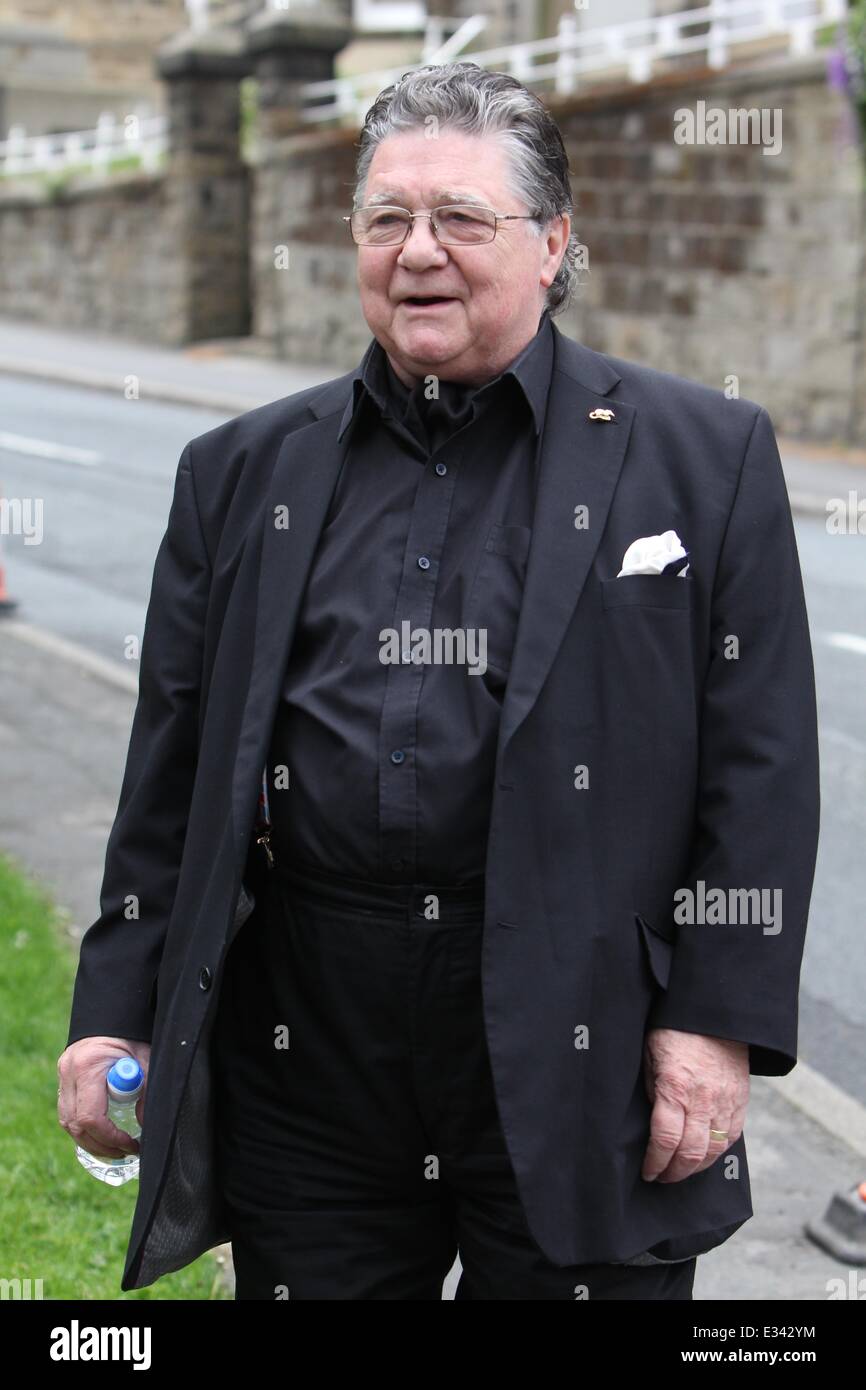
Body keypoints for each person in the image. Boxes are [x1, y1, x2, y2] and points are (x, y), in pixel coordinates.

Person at [58, 62, 820, 1300]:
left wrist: (712, 1022)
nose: (420, 251)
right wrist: (114, 1010)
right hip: (312, 1034)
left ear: (552, 242)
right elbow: (172, 765)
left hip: (584, 1034)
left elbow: (761, 764)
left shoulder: (703, 455)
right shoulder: (238, 470)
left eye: (462, 219)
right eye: (386, 219)